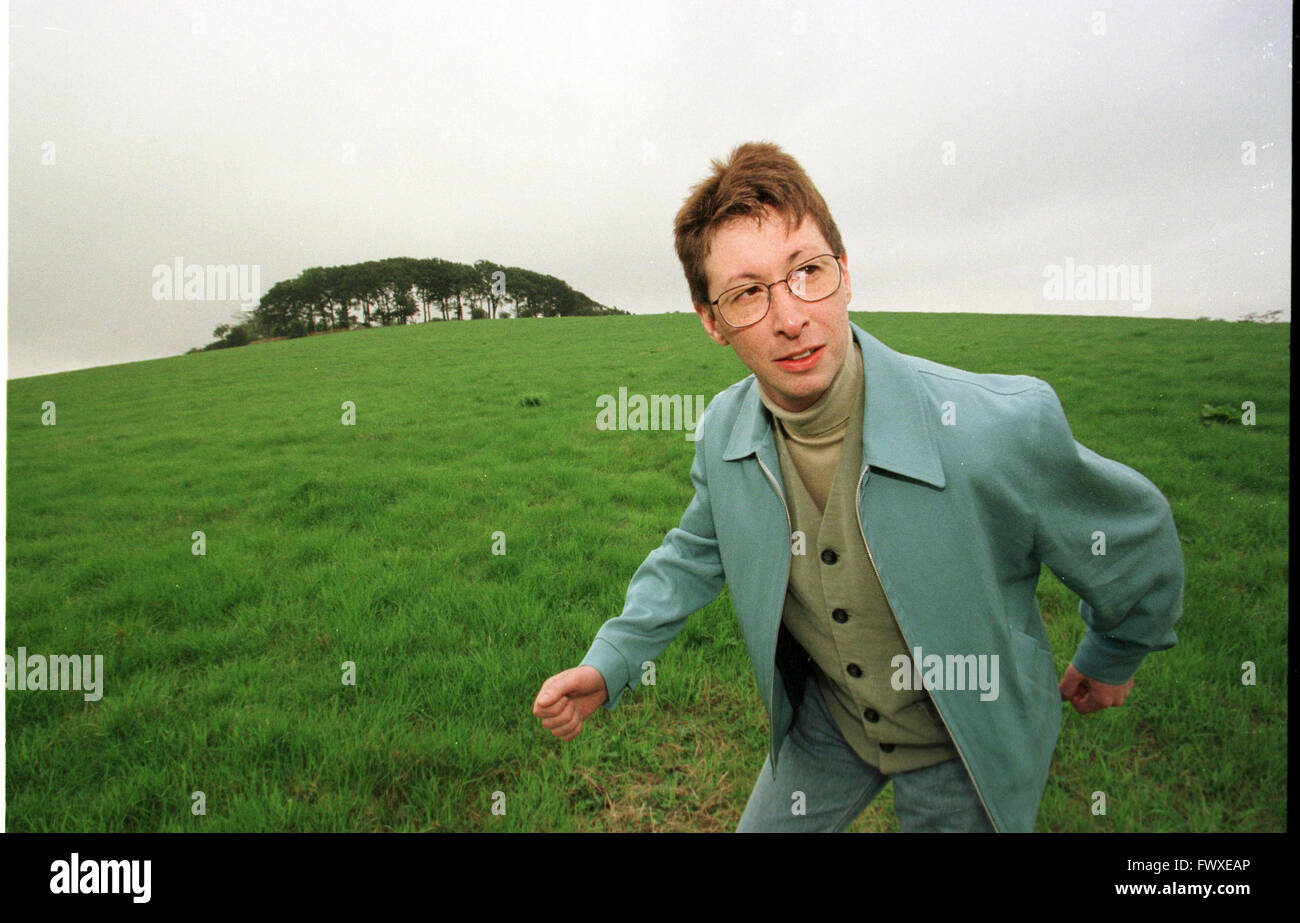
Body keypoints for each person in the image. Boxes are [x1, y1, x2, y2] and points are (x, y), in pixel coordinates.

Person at [531, 141, 1184, 832]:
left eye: (806, 272)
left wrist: (1115, 651)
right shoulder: (725, 430)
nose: (789, 317)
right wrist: (612, 658)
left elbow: (1134, 535)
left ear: (845, 274)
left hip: (963, 745)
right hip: (831, 723)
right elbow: (692, 552)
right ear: (710, 320)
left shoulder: (994, 425)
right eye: (747, 293)